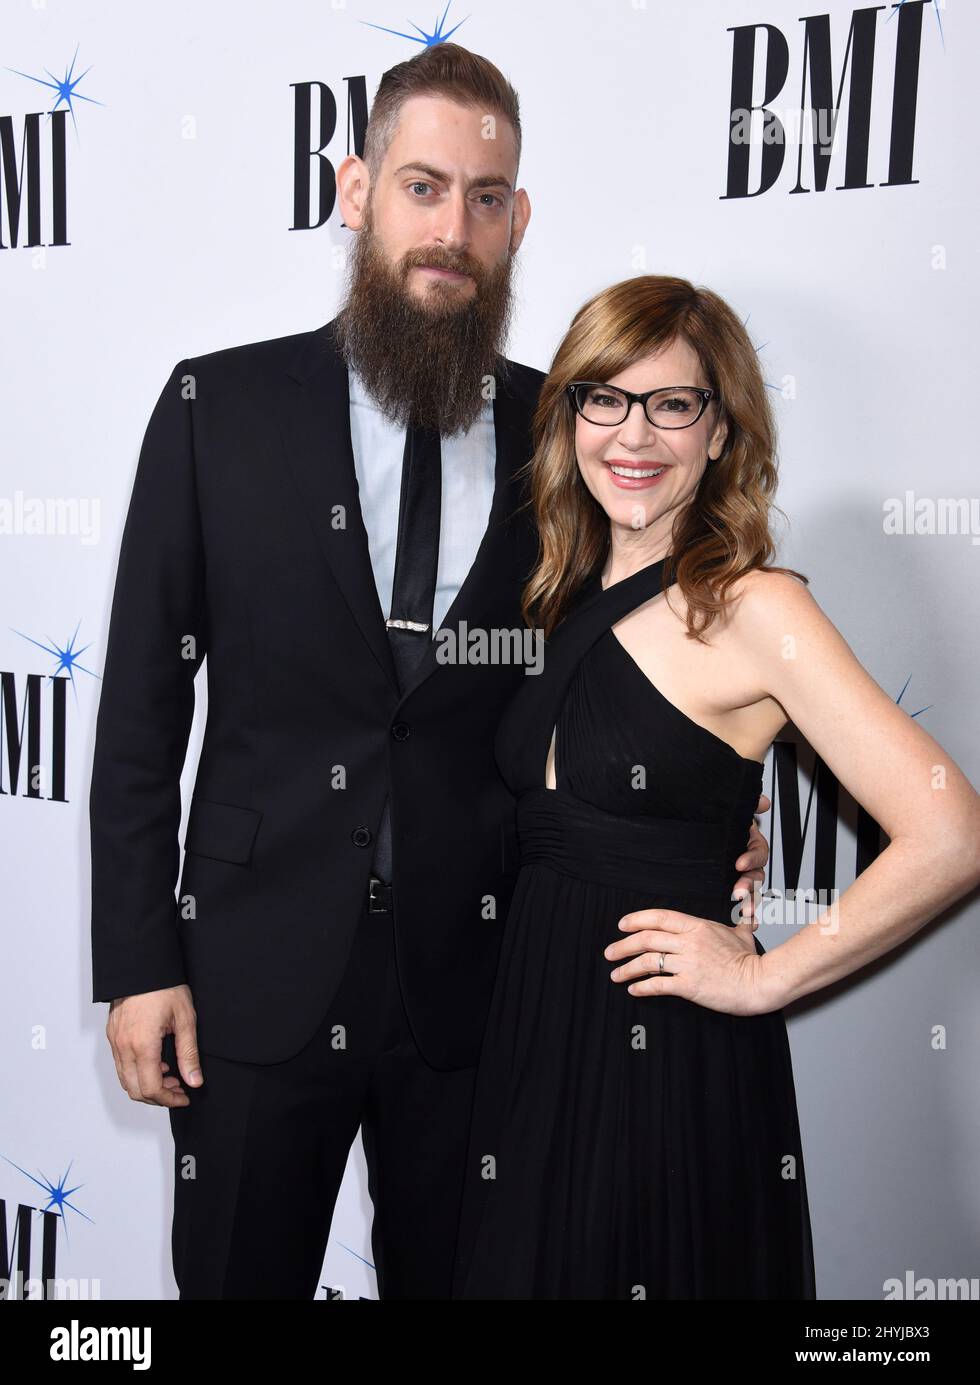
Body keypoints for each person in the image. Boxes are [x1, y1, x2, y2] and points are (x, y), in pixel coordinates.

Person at [89, 46, 769, 1300]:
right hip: (247, 973)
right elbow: (140, 709)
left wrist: (696, 810)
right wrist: (138, 963)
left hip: (483, 983)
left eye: (486, 196)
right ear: (355, 191)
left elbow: (606, 664)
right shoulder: (213, 407)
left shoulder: (566, 432)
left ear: (518, 220)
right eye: (421, 185)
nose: (451, 229)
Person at [452, 274, 980, 1300]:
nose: (632, 433)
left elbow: (948, 830)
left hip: (663, 1057)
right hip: (529, 1039)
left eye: (672, 403)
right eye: (603, 397)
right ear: (567, 418)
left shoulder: (752, 606)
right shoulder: (550, 593)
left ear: (719, 431)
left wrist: (759, 977)